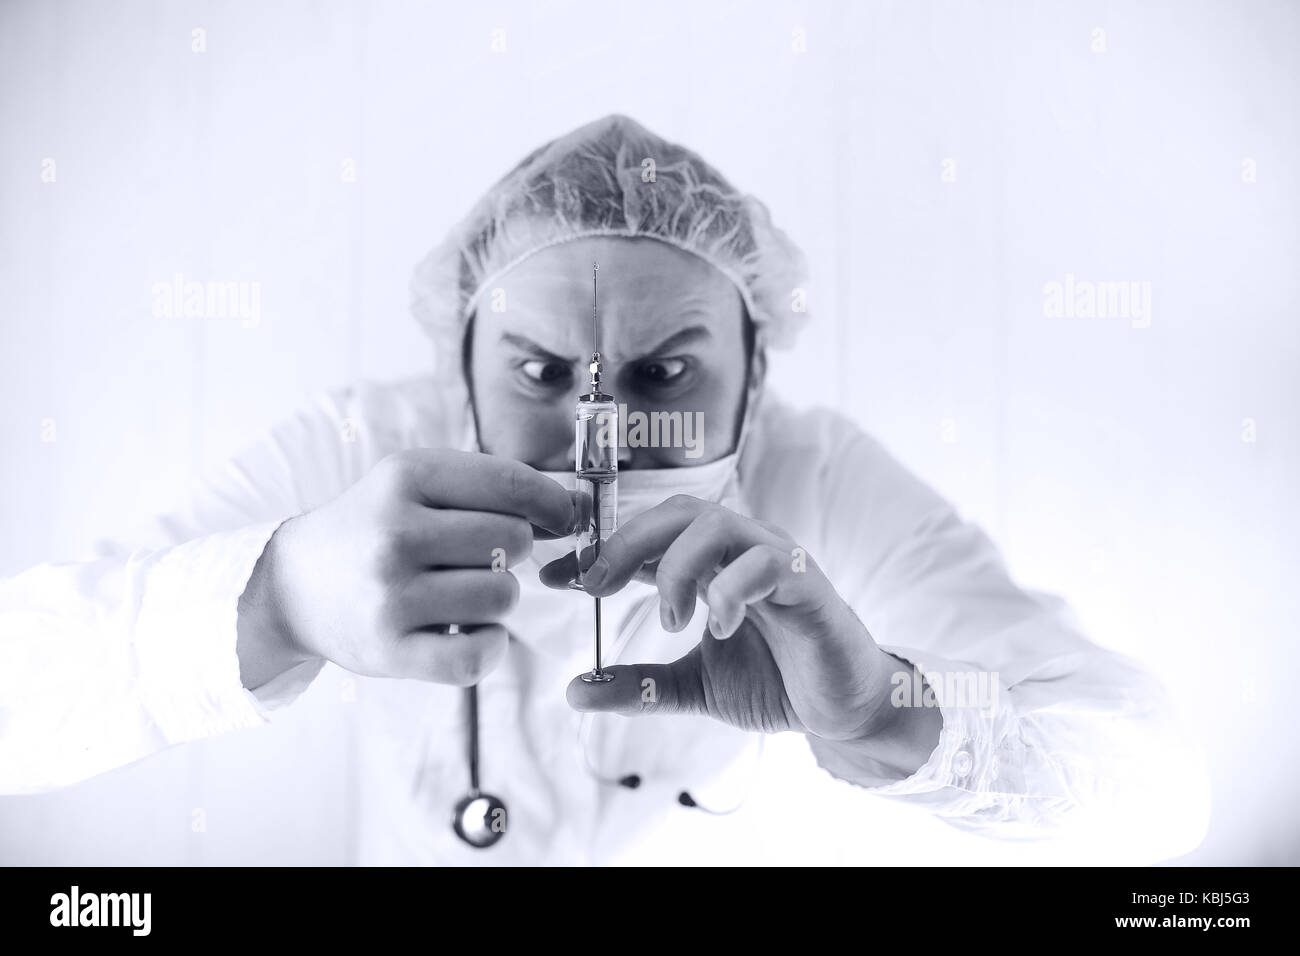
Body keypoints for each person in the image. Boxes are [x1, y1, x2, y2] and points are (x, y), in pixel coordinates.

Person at [0, 114, 1207, 865]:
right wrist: (268, 601)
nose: (600, 429)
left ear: (757, 370)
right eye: (537, 370)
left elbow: (1159, 804)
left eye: (663, 369)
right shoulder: (357, 450)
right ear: (452, 367)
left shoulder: (822, 480)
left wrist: (887, 713)